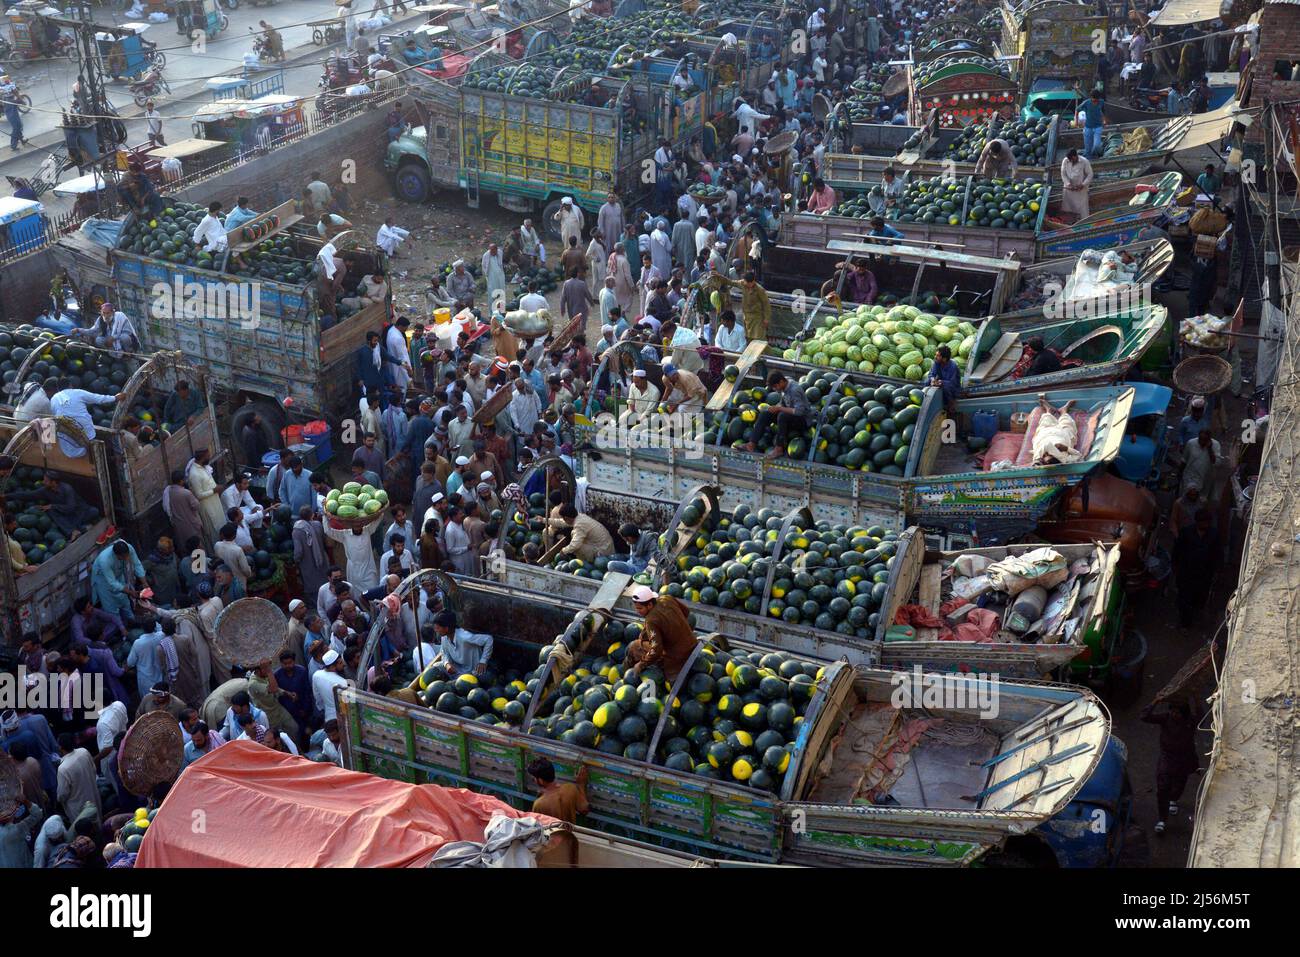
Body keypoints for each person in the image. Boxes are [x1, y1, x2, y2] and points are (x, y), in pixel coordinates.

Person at [1140, 698, 1200, 835]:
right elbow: (1144, 716)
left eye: (1177, 712)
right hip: (1167, 758)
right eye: (1172, 711)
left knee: (1180, 784)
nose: (1174, 714)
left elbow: (1201, 716)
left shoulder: (1190, 721)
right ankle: (1162, 819)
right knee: (1162, 787)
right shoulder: (1165, 718)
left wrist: (1196, 698)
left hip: (1184, 758)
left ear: (1184, 713)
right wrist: (1155, 701)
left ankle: (1174, 799)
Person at [623, 585, 695, 681]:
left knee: (634, 646)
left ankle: (626, 676)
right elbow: (686, 612)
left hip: (677, 658)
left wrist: (641, 664)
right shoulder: (667, 598)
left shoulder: (651, 620)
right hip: (693, 646)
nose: (637, 611)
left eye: (640, 608)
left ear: (649, 605)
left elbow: (656, 650)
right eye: (636, 608)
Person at [528, 757, 588, 864]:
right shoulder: (570, 788)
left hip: (552, 847)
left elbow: (536, 832)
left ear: (540, 780)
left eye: (534, 778)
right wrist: (581, 785)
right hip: (571, 840)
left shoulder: (539, 804)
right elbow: (584, 809)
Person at [745, 371, 811, 460]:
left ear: (781, 382)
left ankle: (779, 449)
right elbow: (783, 403)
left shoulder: (794, 390)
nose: (775, 389)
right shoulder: (784, 385)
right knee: (765, 414)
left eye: (776, 386)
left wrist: (779, 409)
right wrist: (775, 407)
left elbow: (799, 411)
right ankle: (751, 444)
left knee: (782, 416)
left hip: (802, 420)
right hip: (789, 417)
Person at [324, 516, 384, 593]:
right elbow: (328, 531)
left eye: (359, 522)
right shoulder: (344, 534)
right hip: (353, 573)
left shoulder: (368, 530)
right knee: (355, 595)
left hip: (369, 571)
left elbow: (379, 518)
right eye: (354, 523)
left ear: (363, 523)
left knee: (373, 593)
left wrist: (381, 510)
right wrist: (324, 516)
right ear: (350, 524)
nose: (357, 525)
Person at [91, 539, 146, 624]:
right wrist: (131, 592)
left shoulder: (129, 548)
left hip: (119, 575)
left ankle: (132, 621)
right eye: (124, 557)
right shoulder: (104, 560)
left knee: (125, 602)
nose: (126, 558)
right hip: (104, 581)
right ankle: (120, 627)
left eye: (127, 556)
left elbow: (137, 564)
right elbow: (112, 582)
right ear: (116, 555)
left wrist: (145, 583)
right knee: (111, 609)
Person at [430, 610, 493, 676]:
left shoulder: (464, 636)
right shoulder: (444, 637)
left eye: (438, 628)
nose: (435, 630)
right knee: (435, 666)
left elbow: (488, 639)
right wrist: (447, 664)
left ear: (446, 628)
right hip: (457, 668)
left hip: (472, 671)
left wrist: (483, 661)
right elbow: (444, 652)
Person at [714, 271, 771, 342]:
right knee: (748, 338)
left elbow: (766, 304)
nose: (748, 284)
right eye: (747, 282)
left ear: (753, 281)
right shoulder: (742, 283)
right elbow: (730, 282)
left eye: (750, 283)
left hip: (757, 317)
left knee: (759, 339)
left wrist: (766, 319)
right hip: (746, 317)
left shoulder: (760, 290)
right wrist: (719, 276)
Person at [1031, 396, 1082, 466]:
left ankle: (1049, 411)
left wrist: (1037, 459)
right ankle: (1063, 411)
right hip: (1064, 435)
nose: (1046, 454)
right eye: (1048, 455)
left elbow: (1047, 445)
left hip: (1045, 435)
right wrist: (1066, 448)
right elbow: (1078, 455)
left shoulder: (1038, 457)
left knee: (1045, 423)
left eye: (1045, 455)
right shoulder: (1065, 460)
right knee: (1068, 425)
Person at [1059, 148, 1093, 220]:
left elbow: (1090, 174)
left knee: (1082, 210)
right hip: (1068, 190)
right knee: (1068, 209)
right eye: (1070, 160)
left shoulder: (1084, 161)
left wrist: (1083, 184)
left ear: (1076, 155)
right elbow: (1063, 174)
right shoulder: (1065, 161)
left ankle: (1083, 223)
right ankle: (1070, 222)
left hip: (1080, 190)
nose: (1071, 161)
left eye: (1072, 159)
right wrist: (1068, 184)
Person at [926, 345, 960, 413]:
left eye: (938, 356)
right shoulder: (936, 363)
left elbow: (953, 384)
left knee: (946, 388)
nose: (935, 357)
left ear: (944, 359)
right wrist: (932, 379)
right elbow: (931, 374)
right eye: (936, 355)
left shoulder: (953, 367)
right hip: (940, 384)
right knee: (927, 381)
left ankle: (950, 405)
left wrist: (941, 382)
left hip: (952, 389)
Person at [1080, 88, 1106, 158]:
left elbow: (1103, 111)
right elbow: (1077, 109)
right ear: (1091, 97)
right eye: (1093, 99)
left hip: (1098, 127)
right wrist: (1076, 121)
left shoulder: (1101, 102)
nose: (1095, 101)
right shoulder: (1087, 102)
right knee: (1088, 149)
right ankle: (1090, 159)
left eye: (1096, 99)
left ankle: (1095, 154)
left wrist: (1104, 120)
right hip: (1088, 128)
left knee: (1097, 145)